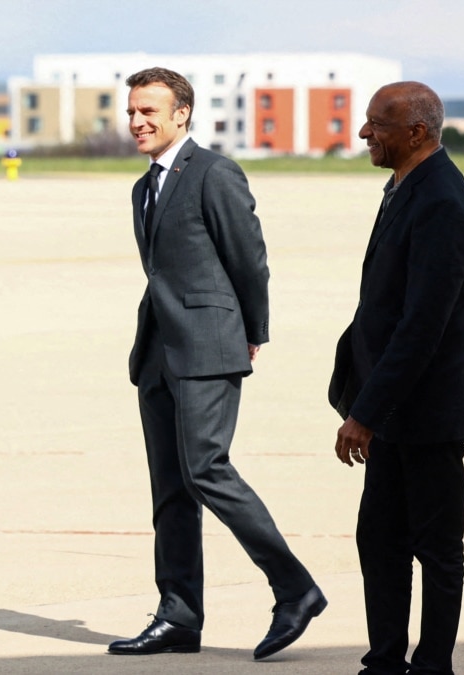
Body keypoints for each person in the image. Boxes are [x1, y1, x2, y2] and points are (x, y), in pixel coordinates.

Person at [107, 67, 325, 661]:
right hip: (157, 350)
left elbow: (249, 261)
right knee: (170, 489)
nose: (136, 122)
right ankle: (178, 615)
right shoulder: (142, 187)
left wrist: (253, 331)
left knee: (207, 470)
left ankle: (296, 588)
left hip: (207, 345)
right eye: (131, 112)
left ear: (182, 113)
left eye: (148, 111)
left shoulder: (214, 172)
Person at [330, 81, 464, 675]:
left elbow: (422, 326)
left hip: (429, 409)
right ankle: (384, 662)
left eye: (377, 123)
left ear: (416, 132)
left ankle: (432, 665)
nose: (364, 133)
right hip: (397, 406)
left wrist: (365, 413)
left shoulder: (442, 202)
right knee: (379, 541)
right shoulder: (406, 185)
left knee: (435, 547)